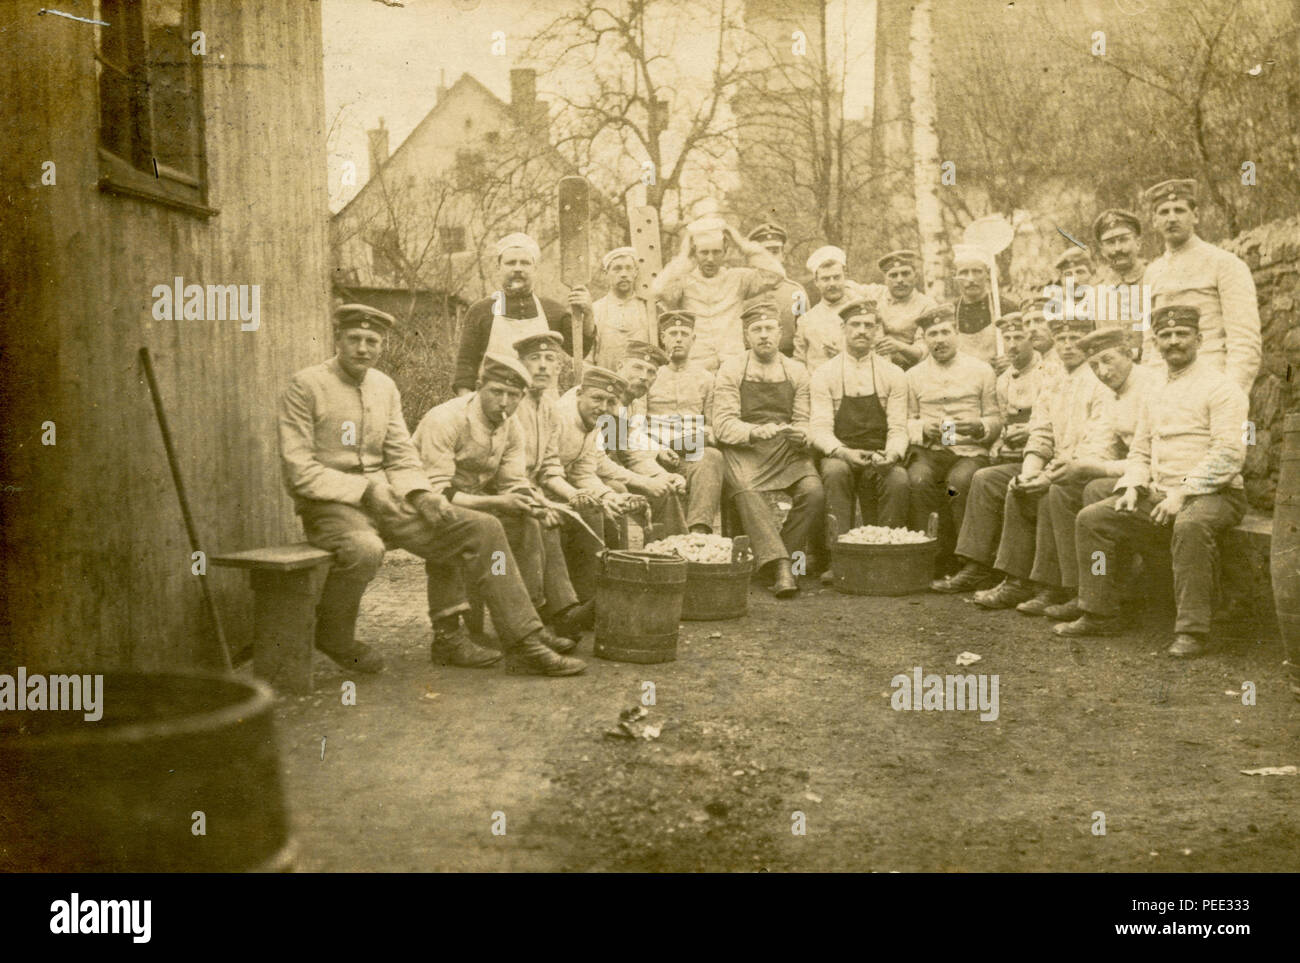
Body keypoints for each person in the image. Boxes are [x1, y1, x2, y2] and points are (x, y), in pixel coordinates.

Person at [277, 304, 584, 677]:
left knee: (474, 526)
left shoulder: (383, 386)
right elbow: (299, 470)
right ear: (336, 338)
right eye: (354, 339)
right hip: (331, 503)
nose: (363, 348)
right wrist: (365, 491)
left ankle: (522, 642)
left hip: (390, 497)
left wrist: (422, 495)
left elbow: (401, 455)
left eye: (371, 341)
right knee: (365, 548)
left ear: (381, 345)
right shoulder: (306, 385)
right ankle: (333, 634)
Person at [1059, 304, 1250, 658]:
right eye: (1165, 335)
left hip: (1216, 493)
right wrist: (1133, 486)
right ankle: (1100, 611)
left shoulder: (1222, 388)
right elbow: (1142, 451)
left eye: (1182, 334)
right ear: (1157, 342)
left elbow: (1228, 455)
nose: (1173, 342)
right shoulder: (1155, 389)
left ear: (1199, 339)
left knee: (1190, 526)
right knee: (1094, 519)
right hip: (1161, 491)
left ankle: (1193, 630)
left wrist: (1182, 490)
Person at [411, 354, 582, 661]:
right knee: (483, 526)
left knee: (527, 522)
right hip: (421, 502)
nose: (504, 401)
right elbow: (438, 490)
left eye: (513, 395)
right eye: (496, 392)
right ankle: (507, 633)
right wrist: (500, 502)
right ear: (479, 387)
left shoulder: (512, 426)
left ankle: (527, 624)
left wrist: (532, 503)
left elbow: (512, 482)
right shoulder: (447, 419)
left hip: (471, 502)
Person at [932, 313, 1105, 605]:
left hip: (1085, 467)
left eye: (1075, 339)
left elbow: (1097, 442)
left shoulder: (1100, 379)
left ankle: (1052, 585)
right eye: (1061, 339)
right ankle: (998, 574)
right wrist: (1030, 471)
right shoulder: (1054, 378)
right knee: (998, 480)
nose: (1067, 346)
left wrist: (1047, 475)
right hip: (1052, 463)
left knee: (1050, 491)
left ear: (1088, 343)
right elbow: (1041, 431)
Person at [1029, 327, 1160, 620]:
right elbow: (1101, 443)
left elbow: (1154, 458)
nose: (1102, 371)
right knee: (1064, 489)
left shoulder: (1152, 387)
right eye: (1095, 365)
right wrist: (1075, 467)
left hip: (1159, 475)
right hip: (1129, 471)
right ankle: (1080, 588)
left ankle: (1104, 593)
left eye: (1108, 360)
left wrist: (1091, 467)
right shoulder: (1113, 392)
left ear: (1128, 354)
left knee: (1092, 490)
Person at [714, 296, 825, 597]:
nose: (763, 335)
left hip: (786, 451)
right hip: (744, 449)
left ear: (780, 333)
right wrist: (754, 432)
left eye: (769, 328)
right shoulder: (731, 369)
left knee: (813, 491)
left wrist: (801, 435)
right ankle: (781, 568)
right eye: (756, 329)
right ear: (746, 336)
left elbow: (804, 420)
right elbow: (722, 425)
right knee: (748, 491)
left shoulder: (797, 371)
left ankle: (778, 557)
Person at [1139, 178, 1261, 396]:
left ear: (1195, 216)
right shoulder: (1152, 272)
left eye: (1180, 210)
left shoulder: (1224, 263)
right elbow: (1150, 343)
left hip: (1210, 381)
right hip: (1163, 387)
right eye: (1164, 212)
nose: (1172, 218)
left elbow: (1245, 341)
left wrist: (1230, 394)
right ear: (1154, 221)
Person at [905, 303, 1001, 571]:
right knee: (919, 478)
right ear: (924, 339)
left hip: (969, 451)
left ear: (956, 333)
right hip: (931, 451)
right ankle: (931, 556)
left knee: (958, 482)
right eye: (932, 334)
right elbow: (905, 420)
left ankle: (967, 560)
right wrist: (923, 428)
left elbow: (996, 417)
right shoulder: (913, 376)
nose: (939, 340)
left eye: (945, 332)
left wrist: (980, 426)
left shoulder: (981, 370)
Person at [510, 331, 595, 636]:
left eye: (550, 360)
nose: (543, 366)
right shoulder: (511, 403)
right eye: (535, 359)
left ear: (559, 368)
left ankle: (581, 603)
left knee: (584, 511)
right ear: (520, 364)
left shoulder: (549, 408)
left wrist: (575, 494)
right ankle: (552, 612)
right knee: (544, 521)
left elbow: (549, 468)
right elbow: (508, 472)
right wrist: (544, 500)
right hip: (507, 488)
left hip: (534, 486)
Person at [808, 298, 910, 546]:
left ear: (876, 330)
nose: (862, 331)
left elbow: (898, 427)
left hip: (879, 453)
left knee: (898, 479)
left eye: (868, 325)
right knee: (834, 472)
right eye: (855, 324)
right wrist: (842, 452)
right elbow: (819, 428)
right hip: (840, 451)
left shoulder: (893, 373)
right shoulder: (825, 373)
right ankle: (839, 555)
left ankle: (887, 551)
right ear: (843, 329)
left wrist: (892, 454)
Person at [554, 365, 648, 597]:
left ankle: (614, 580)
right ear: (579, 394)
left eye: (609, 402)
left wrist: (610, 496)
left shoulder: (595, 421)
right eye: (597, 398)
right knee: (591, 509)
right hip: (541, 485)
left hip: (562, 482)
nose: (602, 408)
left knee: (612, 498)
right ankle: (588, 596)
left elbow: (585, 470)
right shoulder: (560, 419)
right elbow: (547, 472)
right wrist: (586, 496)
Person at [453, 232, 582, 395]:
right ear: (498, 268)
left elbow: (580, 349)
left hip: (543, 410)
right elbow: (465, 369)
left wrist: (588, 313)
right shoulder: (482, 310)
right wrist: (470, 410)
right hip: (496, 410)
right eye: (511, 263)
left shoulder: (553, 310)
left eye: (525, 263)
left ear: (535, 269)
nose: (518, 268)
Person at [652, 213, 784, 371]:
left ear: (725, 251)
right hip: (696, 365)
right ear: (694, 253)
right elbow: (658, 290)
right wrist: (683, 256)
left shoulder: (738, 278)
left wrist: (743, 245)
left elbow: (776, 274)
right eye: (704, 252)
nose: (710, 259)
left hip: (733, 364)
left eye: (716, 252)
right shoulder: (683, 282)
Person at [645, 311, 726, 533]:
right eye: (673, 333)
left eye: (684, 334)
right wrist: (658, 448)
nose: (678, 339)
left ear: (693, 340)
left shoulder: (706, 378)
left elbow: (712, 425)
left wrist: (700, 436)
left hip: (691, 451)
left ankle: (699, 531)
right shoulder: (650, 375)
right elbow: (636, 425)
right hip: (655, 455)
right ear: (663, 338)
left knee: (712, 456)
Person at [608, 341, 689, 537]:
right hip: (577, 476)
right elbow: (593, 461)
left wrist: (663, 477)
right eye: (637, 367)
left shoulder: (631, 406)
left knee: (664, 491)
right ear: (620, 366)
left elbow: (634, 453)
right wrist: (644, 482)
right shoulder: (603, 400)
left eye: (651, 372)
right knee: (616, 488)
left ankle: (669, 553)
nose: (644, 376)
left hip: (606, 471)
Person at [794, 245, 880, 370]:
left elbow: (880, 356)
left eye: (837, 277)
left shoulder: (865, 314)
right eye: (825, 279)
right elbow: (799, 362)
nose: (832, 283)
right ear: (816, 282)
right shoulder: (806, 320)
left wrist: (847, 356)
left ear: (845, 277)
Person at [988, 312, 1046, 465]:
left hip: (1042, 449)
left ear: (1031, 339)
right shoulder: (1003, 380)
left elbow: (1056, 420)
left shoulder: (1048, 371)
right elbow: (1004, 422)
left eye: (1019, 337)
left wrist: (1029, 429)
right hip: (1014, 450)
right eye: (1007, 338)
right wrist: (998, 443)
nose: (1012, 345)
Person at [588, 246, 656, 371]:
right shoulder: (596, 310)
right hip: (606, 384)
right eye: (617, 269)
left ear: (635, 272)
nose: (624, 274)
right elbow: (587, 358)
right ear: (606, 273)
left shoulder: (649, 309)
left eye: (628, 268)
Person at [747, 222, 808, 357]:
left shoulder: (796, 293)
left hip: (788, 360)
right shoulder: (743, 291)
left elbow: (804, 334)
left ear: (783, 256)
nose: (770, 258)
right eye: (764, 253)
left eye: (775, 252)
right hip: (748, 362)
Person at [1091, 208, 1147, 342]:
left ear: (1138, 242)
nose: (1117, 249)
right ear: (1102, 250)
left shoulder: (1154, 277)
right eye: (1110, 243)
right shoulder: (1096, 291)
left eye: (1123, 240)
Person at [875, 249, 934, 369]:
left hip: (911, 368)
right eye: (893, 275)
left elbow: (923, 351)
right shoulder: (875, 296)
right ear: (885, 279)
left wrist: (899, 347)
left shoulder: (927, 305)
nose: (900, 280)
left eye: (905, 274)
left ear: (916, 276)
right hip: (876, 367)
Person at [952, 245, 999, 364]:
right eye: (964, 272)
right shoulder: (950, 311)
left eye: (977, 271)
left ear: (988, 274)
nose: (971, 278)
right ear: (956, 277)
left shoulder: (1003, 307)